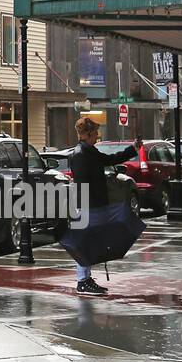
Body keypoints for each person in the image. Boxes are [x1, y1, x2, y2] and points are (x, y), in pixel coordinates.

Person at [68, 116, 137, 295]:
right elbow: (83, 184)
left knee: (90, 242)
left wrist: (132, 149)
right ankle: (83, 281)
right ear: (87, 134)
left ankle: (85, 278)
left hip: (91, 205)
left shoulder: (88, 151)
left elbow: (109, 159)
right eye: (95, 132)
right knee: (86, 242)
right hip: (87, 206)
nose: (98, 135)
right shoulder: (81, 154)